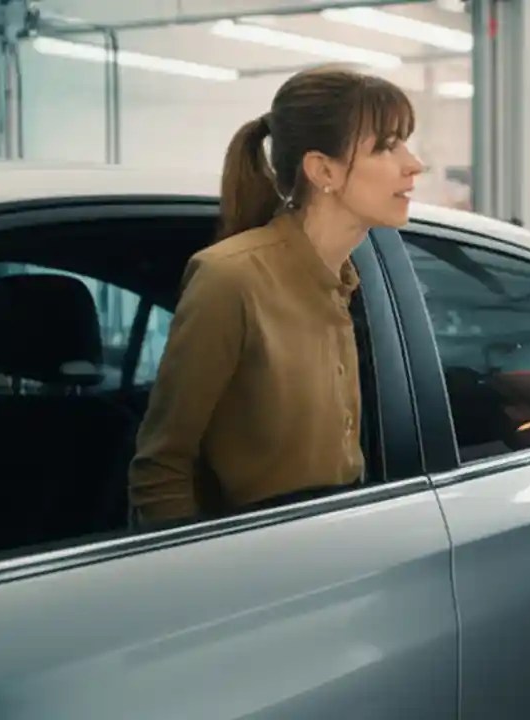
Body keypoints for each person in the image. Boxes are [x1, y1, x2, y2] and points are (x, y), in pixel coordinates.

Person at [128, 65, 425, 525]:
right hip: (259, 564)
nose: (414, 164)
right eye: (387, 146)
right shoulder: (230, 279)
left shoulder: (346, 281)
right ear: (322, 169)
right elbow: (161, 467)